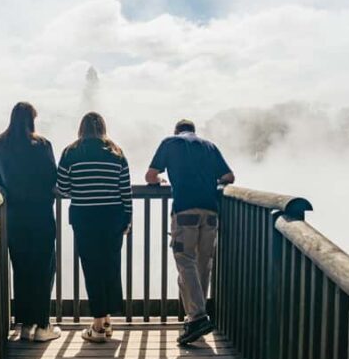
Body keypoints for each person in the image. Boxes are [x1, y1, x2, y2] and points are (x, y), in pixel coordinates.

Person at [145, 119, 235, 345]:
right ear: (194, 131)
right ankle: (196, 317)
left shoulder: (170, 142)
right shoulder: (209, 146)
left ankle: (197, 317)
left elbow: (150, 176)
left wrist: (160, 180)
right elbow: (228, 177)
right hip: (211, 213)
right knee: (203, 264)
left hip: (185, 211)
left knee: (185, 260)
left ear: (177, 131)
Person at [0, 102, 61, 342]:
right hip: (40, 214)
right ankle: (42, 326)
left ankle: (24, 326)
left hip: (15, 216)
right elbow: (53, 175)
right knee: (43, 268)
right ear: (32, 119)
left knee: (21, 270)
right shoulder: (42, 145)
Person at [57, 112, 132, 343]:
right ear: (103, 128)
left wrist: (79, 192)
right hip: (113, 216)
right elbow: (125, 190)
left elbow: (62, 186)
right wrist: (127, 218)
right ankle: (107, 319)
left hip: (85, 217)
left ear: (81, 128)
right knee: (111, 266)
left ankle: (98, 327)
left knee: (92, 268)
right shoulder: (116, 152)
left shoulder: (71, 152)